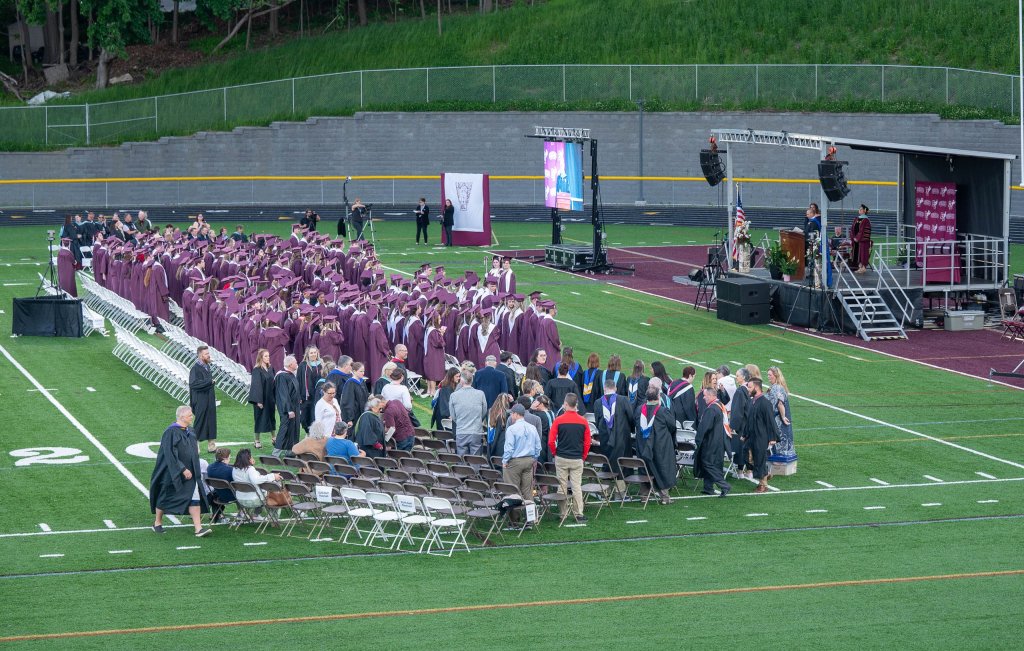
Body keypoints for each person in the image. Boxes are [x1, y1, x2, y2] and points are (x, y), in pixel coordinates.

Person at [149, 405, 212, 537]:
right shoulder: (170, 432)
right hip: (173, 472)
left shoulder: (191, 431)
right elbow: (170, 453)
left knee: (194, 497)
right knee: (165, 496)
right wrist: (182, 468)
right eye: (190, 415)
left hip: (192, 472)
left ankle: (198, 529)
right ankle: (157, 522)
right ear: (182, 417)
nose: (192, 417)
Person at [548, 394, 591, 523]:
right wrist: (583, 456)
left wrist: (555, 453)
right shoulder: (583, 421)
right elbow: (587, 442)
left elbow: (551, 441)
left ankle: (563, 513)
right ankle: (579, 513)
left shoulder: (558, 420)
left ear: (566, 404)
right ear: (576, 404)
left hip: (561, 457)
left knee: (562, 486)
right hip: (577, 458)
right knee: (576, 486)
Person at [634, 386, 679, 505]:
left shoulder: (639, 410)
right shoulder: (663, 411)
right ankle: (665, 497)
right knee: (662, 468)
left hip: (643, 445)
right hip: (661, 446)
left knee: (644, 468)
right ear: (658, 397)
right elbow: (672, 426)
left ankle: (644, 495)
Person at [595, 377, 635, 485]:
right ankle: (620, 490)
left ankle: (606, 489)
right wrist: (631, 430)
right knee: (621, 460)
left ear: (604, 388)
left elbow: (597, 420)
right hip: (622, 435)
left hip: (605, 437)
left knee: (607, 459)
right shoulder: (623, 400)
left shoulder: (598, 402)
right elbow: (631, 417)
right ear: (615, 388)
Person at [693, 387, 732, 497]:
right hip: (718, 441)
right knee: (713, 464)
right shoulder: (720, 406)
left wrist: (698, 440)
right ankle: (708, 488)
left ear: (711, 396)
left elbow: (704, 428)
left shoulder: (711, 409)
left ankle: (724, 485)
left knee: (707, 464)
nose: (704, 398)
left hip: (710, 442)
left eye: (705, 395)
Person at [744, 378, 780, 493]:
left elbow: (770, 421)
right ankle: (766, 473)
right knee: (747, 457)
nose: (748, 390)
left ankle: (763, 485)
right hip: (751, 436)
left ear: (756, 387)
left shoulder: (765, 403)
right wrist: (744, 434)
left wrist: (772, 438)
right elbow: (748, 420)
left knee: (759, 459)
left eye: (749, 387)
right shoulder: (751, 401)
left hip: (761, 436)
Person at [502, 403, 542, 501]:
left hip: (514, 461)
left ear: (516, 414)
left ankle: (515, 515)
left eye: (511, 414)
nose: (511, 416)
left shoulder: (511, 429)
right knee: (527, 491)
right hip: (529, 460)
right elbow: (538, 446)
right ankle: (531, 515)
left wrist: (505, 461)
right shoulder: (532, 427)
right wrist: (534, 458)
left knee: (512, 491)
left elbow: (509, 448)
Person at [449, 368, 488, 455]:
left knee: (463, 462)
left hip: (462, 431)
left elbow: (453, 416)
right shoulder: (480, 394)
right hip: (474, 431)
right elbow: (484, 412)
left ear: (461, 381)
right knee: (474, 461)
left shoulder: (454, 396)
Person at [232, 448, 282, 512]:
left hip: (240, 499)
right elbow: (256, 480)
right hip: (254, 500)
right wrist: (273, 476)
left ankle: (256, 515)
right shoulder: (250, 469)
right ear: (248, 459)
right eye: (251, 457)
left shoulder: (234, 469)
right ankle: (273, 519)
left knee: (260, 491)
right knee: (274, 494)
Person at [189, 345, 218, 453]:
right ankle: (195, 446)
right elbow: (193, 384)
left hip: (209, 398)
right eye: (206, 354)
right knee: (199, 422)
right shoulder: (195, 369)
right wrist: (209, 382)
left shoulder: (207, 366)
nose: (208, 355)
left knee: (211, 421)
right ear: (201, 356)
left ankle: (211, 445)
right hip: (200, 399)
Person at [247, 349, 276, 449]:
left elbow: (274, 383)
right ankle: (257, 440)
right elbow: (256, 386)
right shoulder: (257, 370)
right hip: (261, 399)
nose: (268, 358)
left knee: (272, 418)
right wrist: (258, 401)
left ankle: (274, 438)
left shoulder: (271, 368)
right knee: (259, 418)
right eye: (265, 356)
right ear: (261, 358)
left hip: (270, 398)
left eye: (268, 356)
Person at [273, 355, 301, 456]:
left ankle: (290, 451)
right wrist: (289, 410)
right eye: (295, 362)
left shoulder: (291, 374)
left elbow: (293, 390)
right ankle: (275, 453)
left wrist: (299, 399)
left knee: (294, 428)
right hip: (287, 408)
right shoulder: (282, 376)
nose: (297, 363)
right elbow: (283, 394)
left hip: (295, 406)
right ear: (290, 365)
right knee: (285, 428)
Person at [767, 366, 795, 460]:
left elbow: (780, 404)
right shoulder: (777, 387)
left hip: (778, 420)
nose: (768, 377)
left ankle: (779, 461)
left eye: (770, 375)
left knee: (779, 439)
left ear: (775, 376)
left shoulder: (777, 388)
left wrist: (783, 417)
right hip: (778, 419)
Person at [730, 367, 752, 479]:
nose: (736, 377)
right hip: (749, 423)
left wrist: (733, 426)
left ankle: (739, 471)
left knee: (740, 447)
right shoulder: (751, 389)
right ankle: (748, 471)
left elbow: (737, 411)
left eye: (737, 375)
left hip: (742, 425)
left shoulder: (740, 391)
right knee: (747, 448)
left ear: (743, 377)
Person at [297, 347, 324, 434]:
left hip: (318, 396)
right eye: (311, 353)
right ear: (307, 354)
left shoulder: (322, 364)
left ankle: (315, 434)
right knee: (304, 417)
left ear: (317, 353)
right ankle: (308, 433)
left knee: (315, 416)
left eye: (314, 352)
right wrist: (299, 395)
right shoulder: (303, 365)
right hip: (306, 396)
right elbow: (298, 380)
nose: (313, 354)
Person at [206, 447, 236, 523]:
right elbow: (236, 483)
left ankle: (216, 515)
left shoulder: (209, 467)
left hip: (216, 494)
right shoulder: (229, 470)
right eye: (229, 456)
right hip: (229, 495)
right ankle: (246, 513)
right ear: (225, 458)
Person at [340, 362, 370, 426]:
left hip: (363, 412)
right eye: (361, 371)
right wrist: (349, 418)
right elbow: (348, 401)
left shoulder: (362, 381)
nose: (363, 373)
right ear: (354, 371)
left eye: (363, 371)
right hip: (355, 415)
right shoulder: (350, 383)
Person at [486, 393, 513, 462]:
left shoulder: (491, 412)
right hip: (502, 444)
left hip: (491, 443)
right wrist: (512, 402)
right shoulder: (506, 414)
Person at [851, 204, 873, 273]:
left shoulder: (866, 220)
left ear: (864, 211)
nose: (859, 210)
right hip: (856, 241)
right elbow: (852, 229)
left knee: (863, 253)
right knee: (856, 253)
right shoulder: (856, 219)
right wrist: (853, 237)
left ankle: (863, 267)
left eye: (861, 209)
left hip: (863, 241)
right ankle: (858, 266)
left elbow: (863, 231)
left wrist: (857, 238)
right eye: (859, 209)